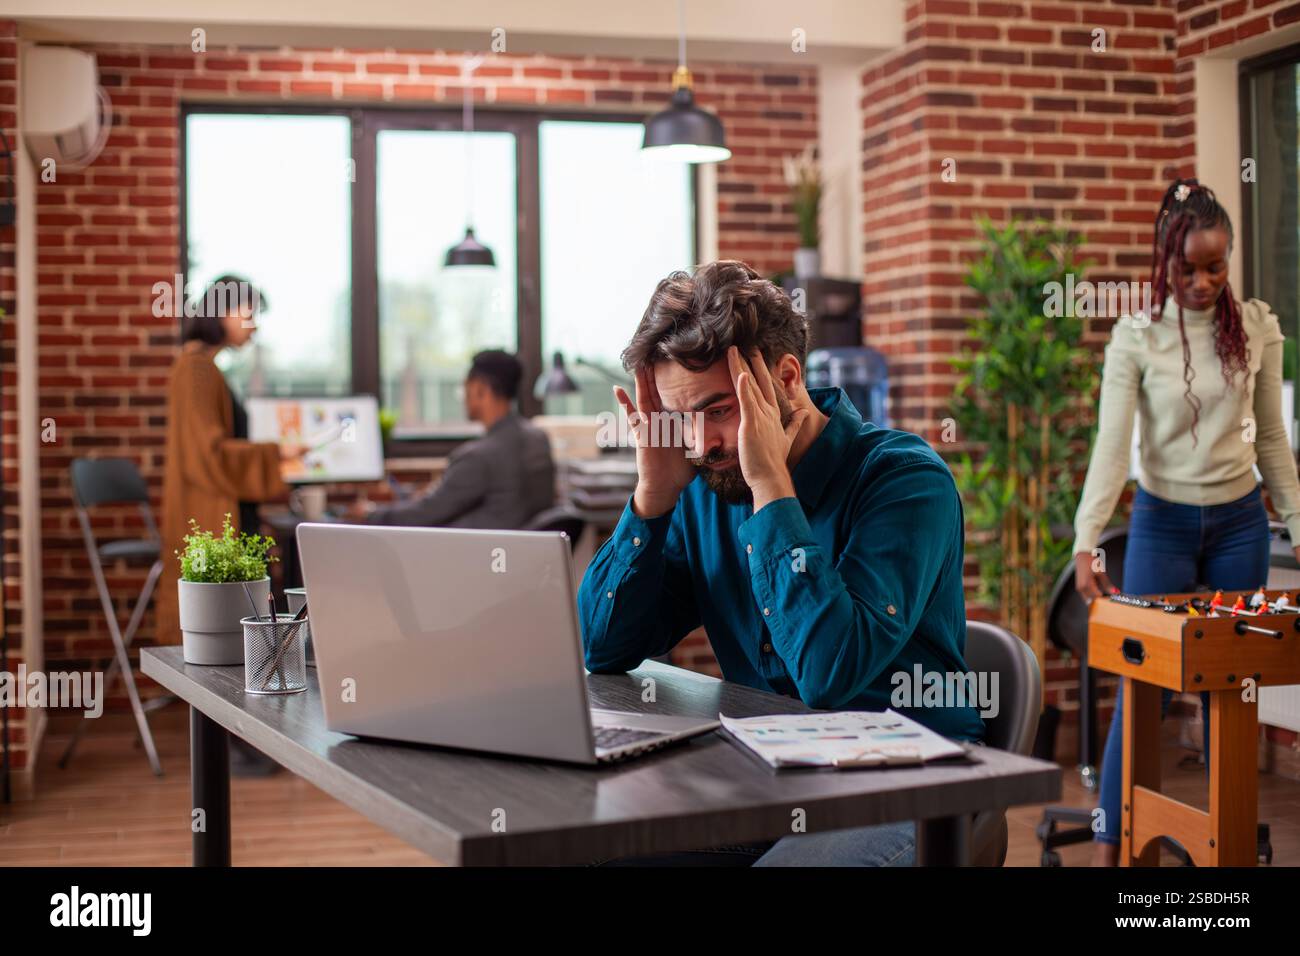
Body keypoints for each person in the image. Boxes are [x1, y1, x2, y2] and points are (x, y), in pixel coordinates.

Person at [578, 260, 984, 866]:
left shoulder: (904, 481)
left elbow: (829, 672)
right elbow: (604, 649)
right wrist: (651, 500)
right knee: (577, 845)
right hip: (765, 773)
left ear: (787, 377)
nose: (698, 442)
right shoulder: (705, 482)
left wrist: (771, 485)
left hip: (907, 782)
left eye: (717, 410)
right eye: (679, 417)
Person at [1071, 179, 1300, 865]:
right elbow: (1113, 449)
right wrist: (1088, 541)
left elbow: (1272, 446)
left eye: (1216, 266)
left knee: (1228, 697)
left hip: (1239, 525)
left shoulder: (1257, 327)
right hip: (1161, 526)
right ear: (1163, 261)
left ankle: (1221, 852)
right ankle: (1113, 851)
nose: (1202, 282)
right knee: (1142, 699)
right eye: (1187, 268)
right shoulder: (1135, 339)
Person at [159, 275, 304, 775]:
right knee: (235, 625)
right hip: (211, 511)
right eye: (248, 311)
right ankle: (240, 737)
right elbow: (210, 455)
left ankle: (248, 734)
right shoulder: (197, 370)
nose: (254, 323)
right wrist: (277, 455)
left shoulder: (203, 368)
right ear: (220, 310)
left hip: (223, 506)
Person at [352, 349, 555, 529]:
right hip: (520, 555)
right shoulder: (538, 439)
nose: (464, 397)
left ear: (479, 389)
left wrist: (372, 513)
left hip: (478, 558)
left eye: (465, 388)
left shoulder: (479, 456)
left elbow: (425, 515)